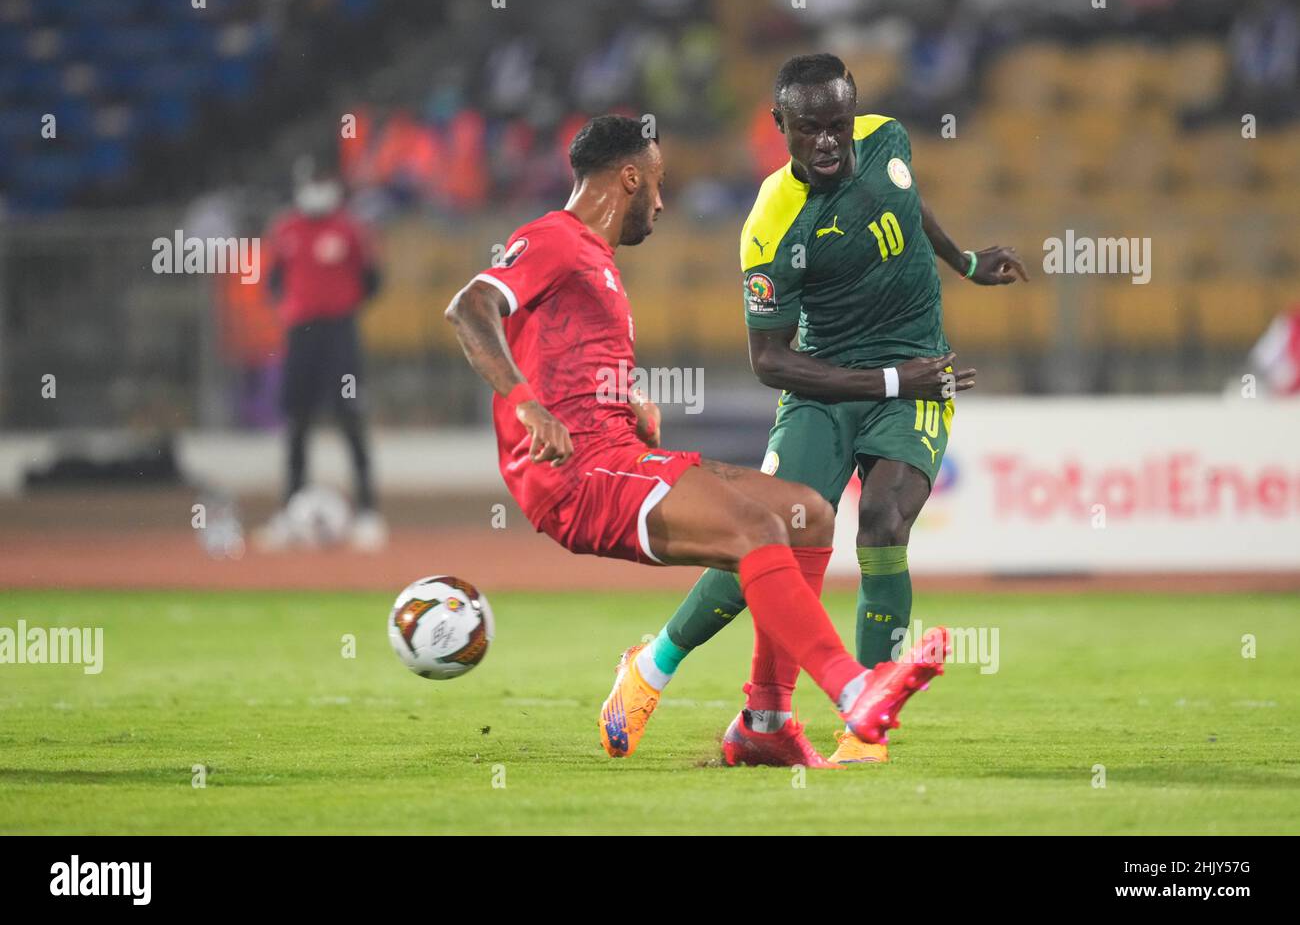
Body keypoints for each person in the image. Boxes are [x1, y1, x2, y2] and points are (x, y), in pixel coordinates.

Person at [445, 115, 955, 766]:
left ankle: (765, 721)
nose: (660, 201)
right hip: (574, 475)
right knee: (752, 526)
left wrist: (624, 403)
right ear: (628, 177)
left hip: (618, 455)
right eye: (656, 184)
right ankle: (854, 689)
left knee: (805, 511)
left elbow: (564, 359)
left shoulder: (595, 263)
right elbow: (470, 308)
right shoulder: (556, 239)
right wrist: (526, 407)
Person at [607, 53, 1026, 767]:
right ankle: (650, 669)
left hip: (914, 367)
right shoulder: (772, 225)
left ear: (855, 115)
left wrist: (965, 262)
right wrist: (895, 380)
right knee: (764, 536)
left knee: (884, 521)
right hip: (828, 383)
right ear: (781, 127)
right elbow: (769, 362)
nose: (829, 142)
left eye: (838, 125)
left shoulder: (888, 138)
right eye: (810, 129)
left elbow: (907, 199)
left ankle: (864, 730)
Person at [255, 165, 387, 551]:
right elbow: (274, 281)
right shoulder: (285, 229)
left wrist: (340, 305)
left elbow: (372, 280)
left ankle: (368, 512)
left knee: (351, 419)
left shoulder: (351, 229)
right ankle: (288, 512)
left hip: (339, 333)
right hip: (301, 335)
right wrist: (298, 307)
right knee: (297, 423)